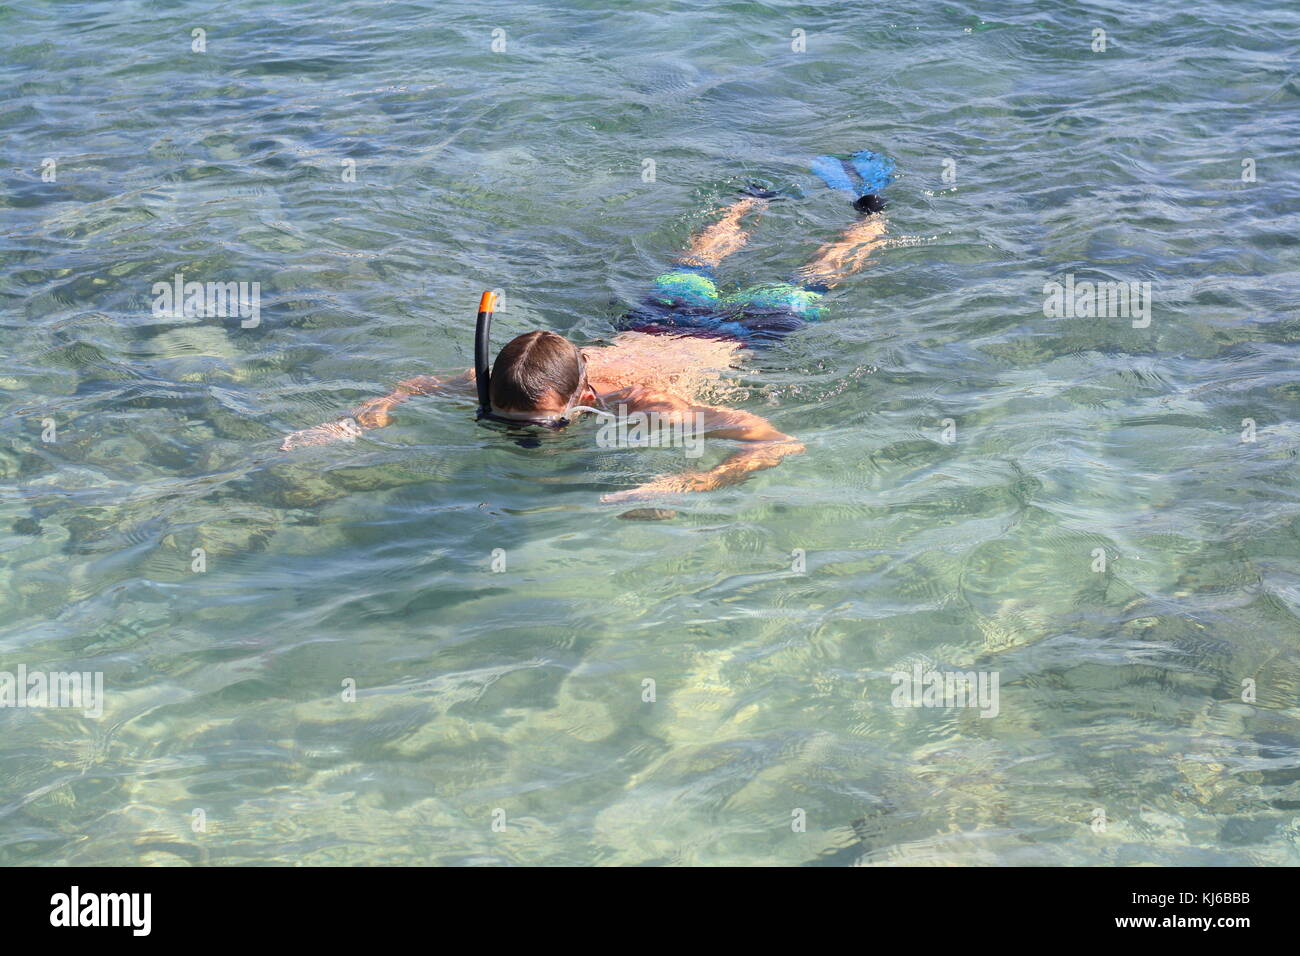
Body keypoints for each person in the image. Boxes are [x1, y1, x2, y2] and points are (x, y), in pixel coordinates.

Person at [281, 152, 895, 501]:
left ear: (587, 398)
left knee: (816, 279)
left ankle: (870, 212)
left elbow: (780, 442)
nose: (528, 439)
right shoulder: (494, 383)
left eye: (547, 426)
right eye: (508, 422)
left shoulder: (652, 406)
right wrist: (356, 423)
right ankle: (750, 199)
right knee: (696, 260)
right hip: (655, 324)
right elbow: (413, 383)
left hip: (732, 340)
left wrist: (692, 481)